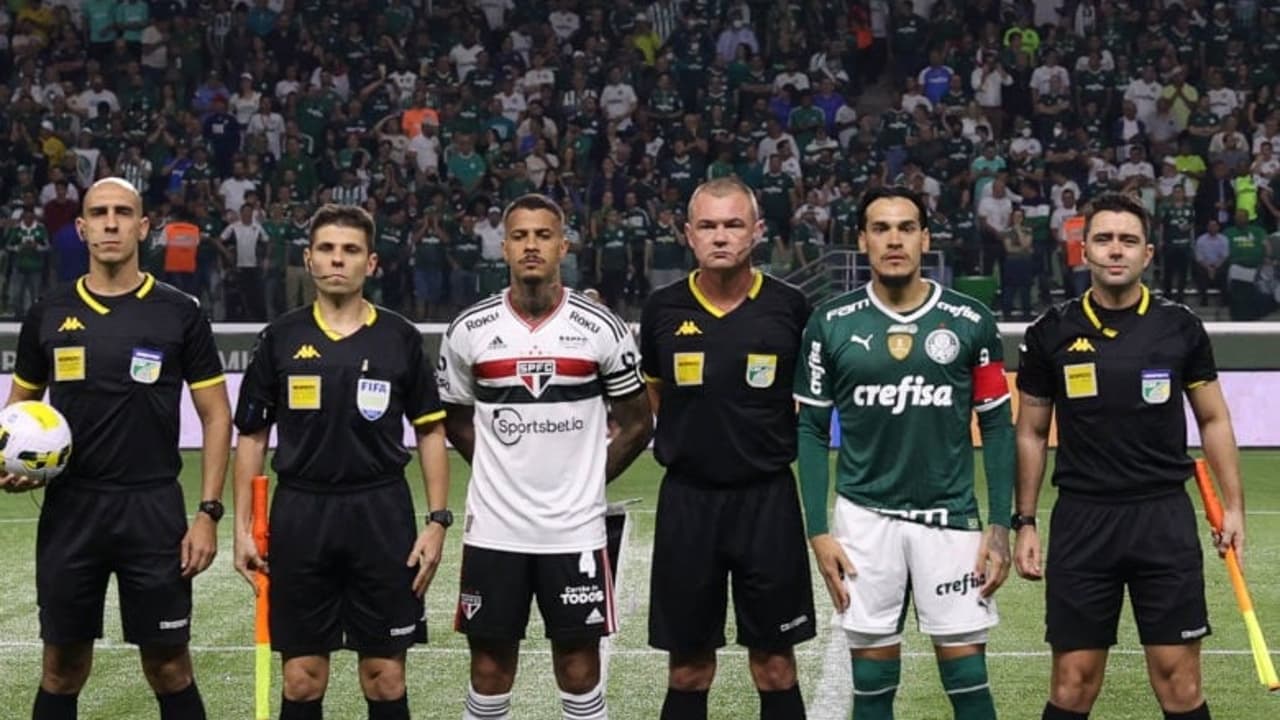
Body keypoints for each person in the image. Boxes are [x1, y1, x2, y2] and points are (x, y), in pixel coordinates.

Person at [4, 177, 231, 720]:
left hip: (152, 509)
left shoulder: (179, 311)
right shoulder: (48, 313)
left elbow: (216, 414)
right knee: (62, 664)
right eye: (99, 213)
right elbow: (18, 412)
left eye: (123, 213)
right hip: (71, 509)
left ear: (143, 227)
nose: (111, 223)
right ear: (81, 228)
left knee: (169, 663)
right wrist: (14, 465)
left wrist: (207, 513)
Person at [1014, 193, 1246, 720]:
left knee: (1180, 684)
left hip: (1161, 517)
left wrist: (1233, 505)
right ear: (1083, 250)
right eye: (1103, 239)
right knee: (1073, 683)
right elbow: (1031, 431)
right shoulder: (1050, 332)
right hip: (1082, 520)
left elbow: (1213, 418)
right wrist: (1025, 521)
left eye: (1127, 240)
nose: (1115, 250)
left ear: (1148, 253)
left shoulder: (1180, 326)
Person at [795, 185, 1016, 720]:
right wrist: (818, 532)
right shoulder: (830, 323)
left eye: (906, 228)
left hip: (951, 518)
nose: (894, 240)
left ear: (925, 238)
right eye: (881, 228)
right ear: (862, 240)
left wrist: (1001, 527)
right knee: (871, 681)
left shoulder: (970, 321)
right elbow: (810, 431)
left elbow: (998, 426)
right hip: (864, 521)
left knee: (967, 677)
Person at [438, 193, 653, 720]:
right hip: (494, 529)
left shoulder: (601, 327)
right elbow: (457, 418)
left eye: (542, 236)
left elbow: (637, 421)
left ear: (564, 245)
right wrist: (498, 473)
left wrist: (586, 482)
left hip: (574, 530)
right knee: (489, 667)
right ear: (504, 248)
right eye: (519, 236)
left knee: (579, 665)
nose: (531, 246)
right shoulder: (468, 330)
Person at [231, 204, 450, 720]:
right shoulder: (280, 338)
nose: (337, 260)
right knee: (303, 679)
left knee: (385, 676)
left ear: (371, 263)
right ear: (309, 260)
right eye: (326, 249)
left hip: (380, 513)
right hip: (302, 514)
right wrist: (242, 528)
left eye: (350, 250)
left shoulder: (399, 337)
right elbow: (252, 438)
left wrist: (438, 521)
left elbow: (431, 430)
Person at [639, 176, 816, 720]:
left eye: (734, 224)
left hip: (768, 502)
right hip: (688, 503)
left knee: (775, 664)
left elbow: (806, 408)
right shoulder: (663, 309)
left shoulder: (790, 308)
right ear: (688, 235)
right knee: (689, 667)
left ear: (757, 232)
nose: (721, 236)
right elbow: (655, 392)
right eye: (709, 226)